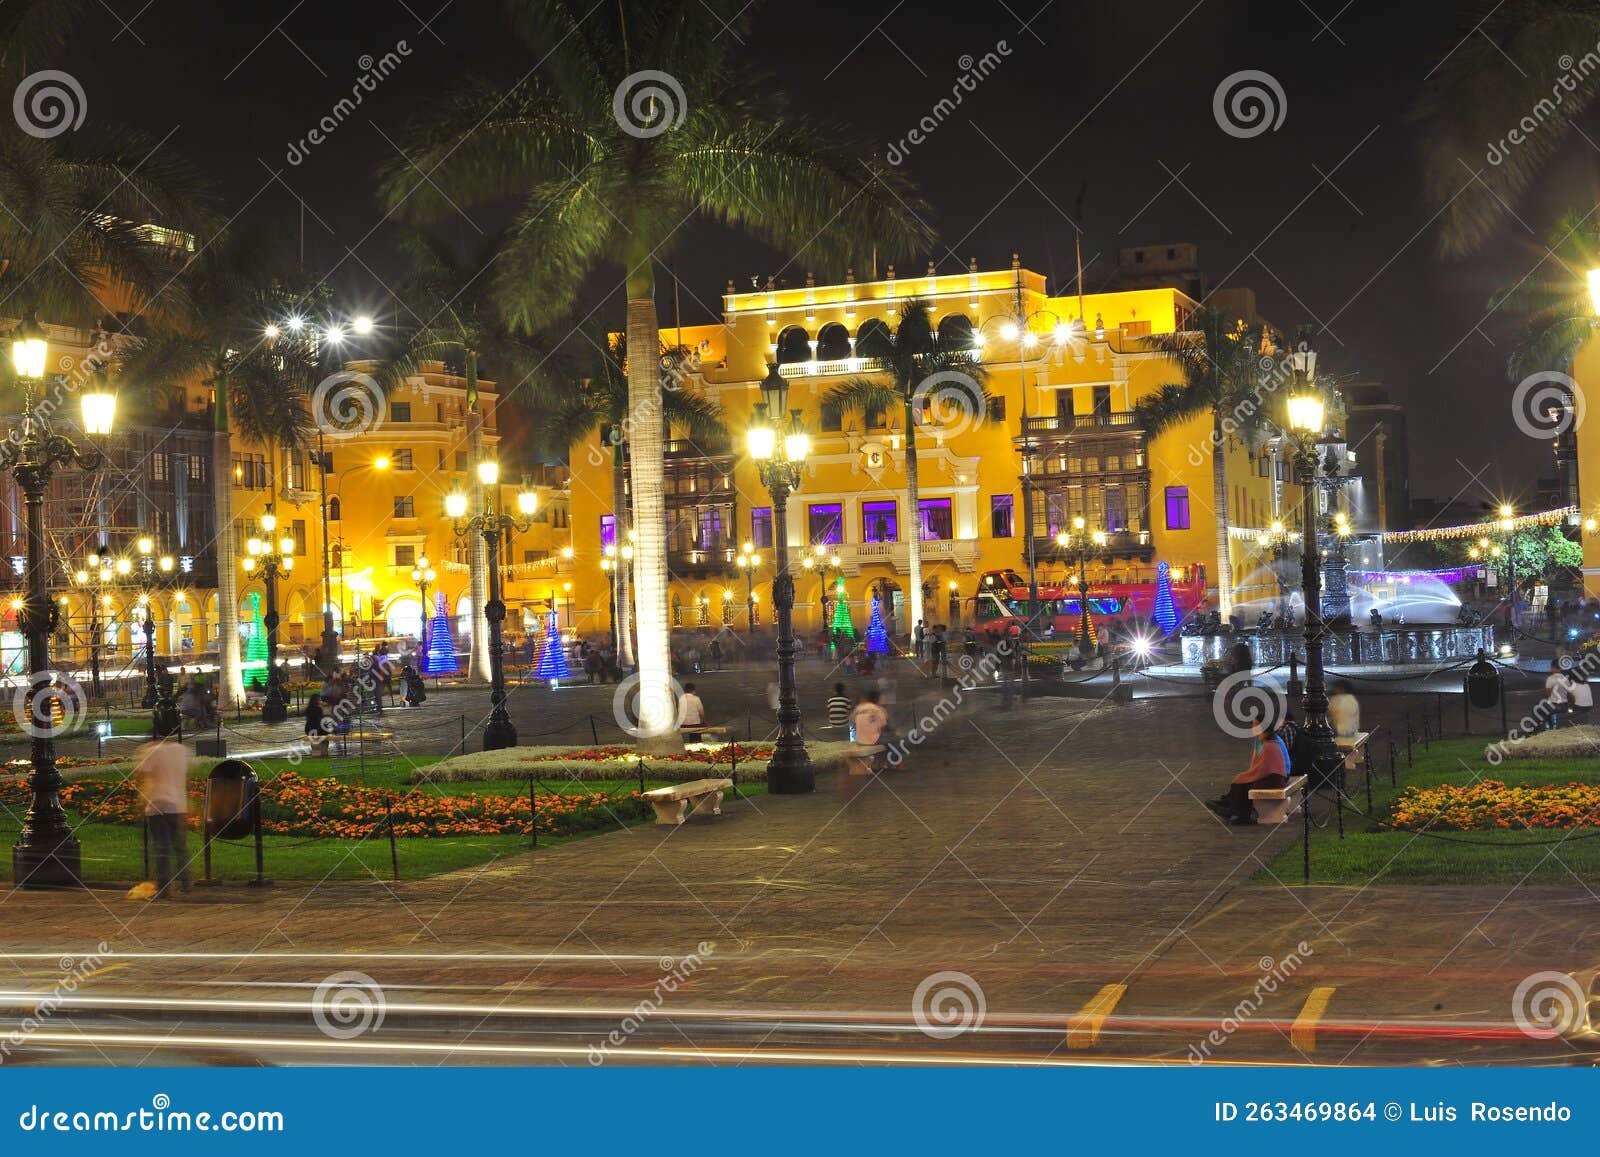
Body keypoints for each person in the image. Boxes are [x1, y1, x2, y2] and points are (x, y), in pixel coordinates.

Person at [135, 722, 192, 897]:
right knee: (180, 847)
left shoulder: (150, 751)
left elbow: (144, 778)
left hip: (157, 804)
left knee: (162, 848)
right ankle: (186, 883)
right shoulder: (182, 751)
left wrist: (141, 801)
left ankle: (164, 888)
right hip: (179, 804)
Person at [1206, 717, 1289, 825]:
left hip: (1274, 780)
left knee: (1244, 785)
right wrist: (1246, 776)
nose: (1253, 728)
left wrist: (1247, 777)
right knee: (1242, 781)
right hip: (1272, 778)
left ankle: (1239, 813)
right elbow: (1258, 765)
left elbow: (1263, 769)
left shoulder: (1270, 745)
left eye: (1256, 725)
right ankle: (1231, 806)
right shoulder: (1266, 742)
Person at [1543, 660, 1571, 730]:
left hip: (1555, 706)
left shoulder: (1550, 678)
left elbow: (1548, 694)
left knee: (1541, 709)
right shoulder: (1566, 679)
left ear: (1553, 668)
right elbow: (1569, 693)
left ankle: (1550, 728)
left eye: (1551, 667)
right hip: (1564, 706)